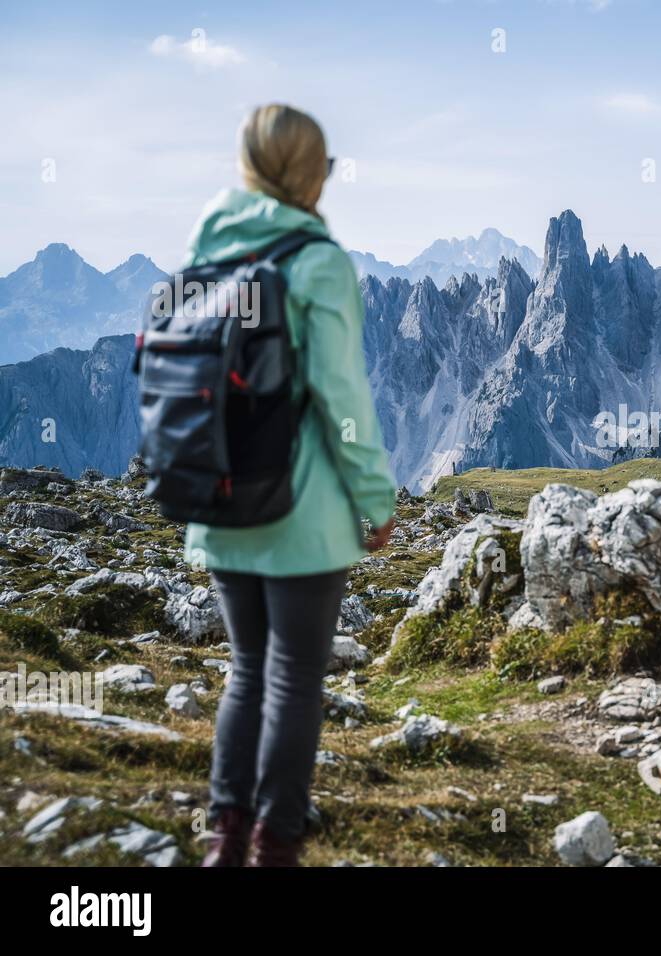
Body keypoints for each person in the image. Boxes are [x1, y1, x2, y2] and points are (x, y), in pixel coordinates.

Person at [185, 104, 397, 866]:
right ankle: (275, 847)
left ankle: (225, 838)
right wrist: (375, 502)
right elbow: (343, 400)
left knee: (246, 670)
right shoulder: (318, 261)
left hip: (218, 499)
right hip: (299, 514)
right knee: (296, 676)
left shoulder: (204, 249)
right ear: (309, 172)